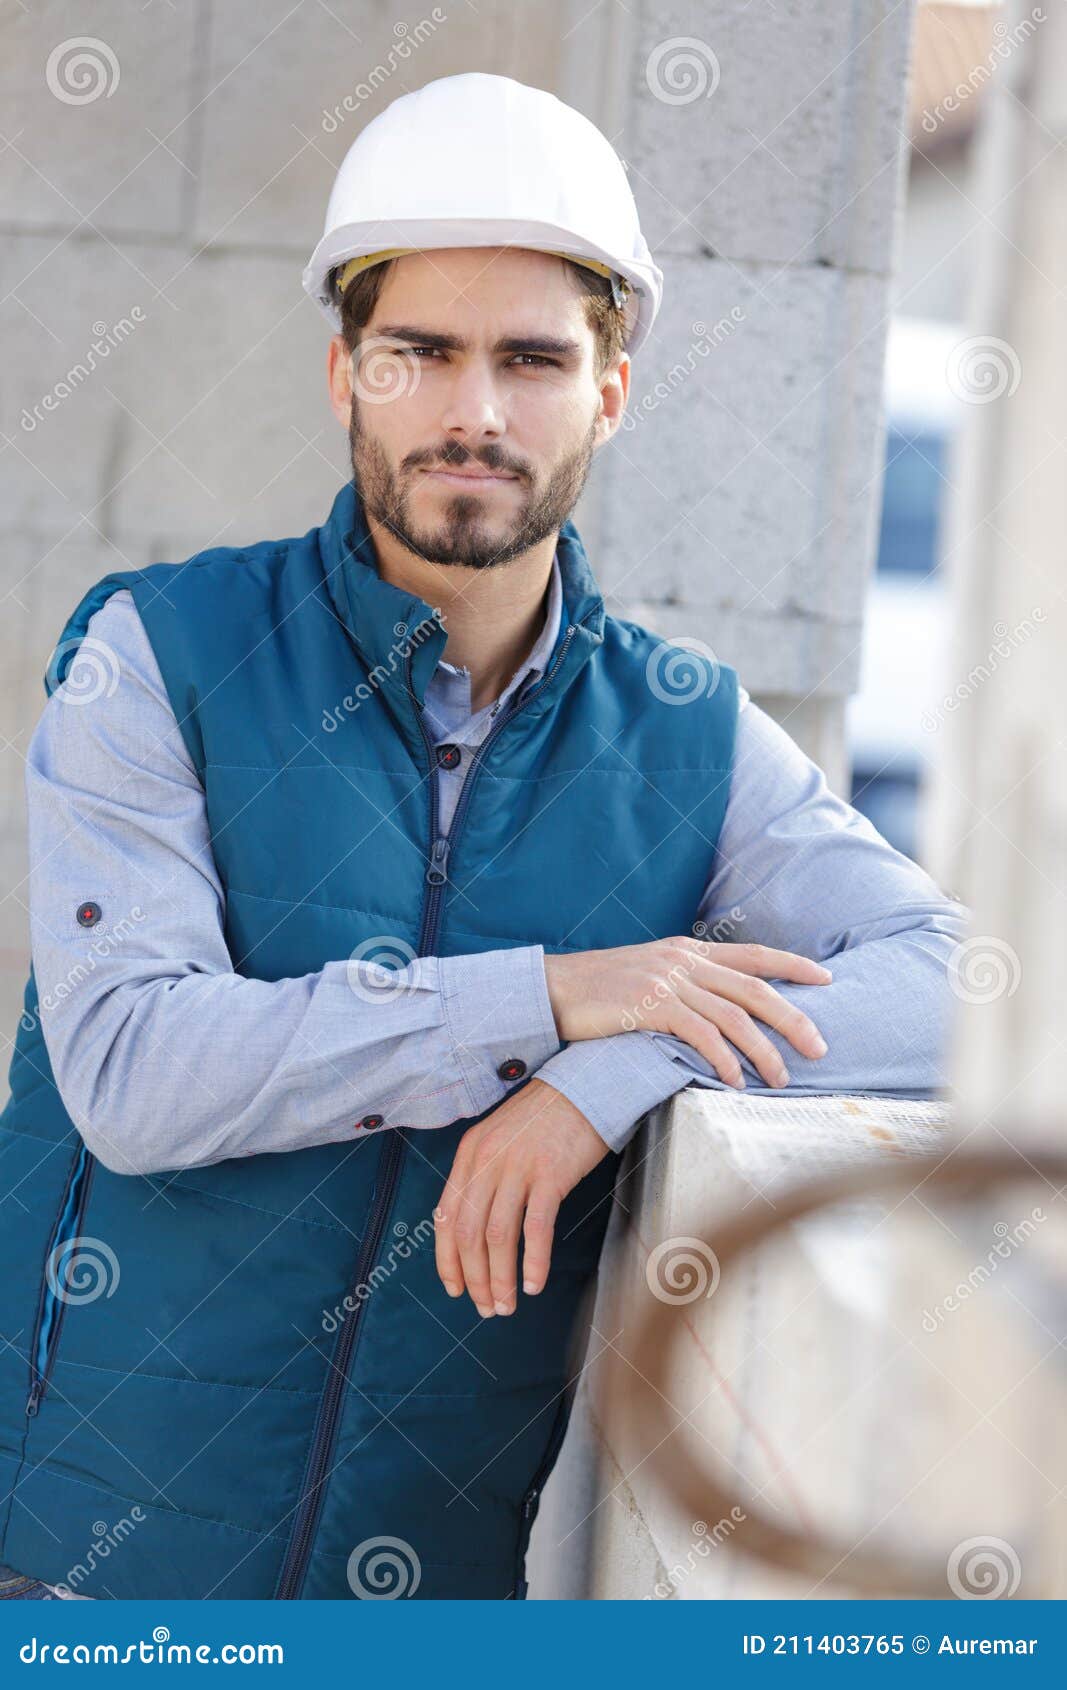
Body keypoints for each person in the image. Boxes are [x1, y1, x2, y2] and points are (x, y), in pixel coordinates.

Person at [0, 72, 967, 1600]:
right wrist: (551, 995)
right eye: (422, 354)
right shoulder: (157, 656)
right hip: (73, 1572)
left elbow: (960, 982)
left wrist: (617, 1067)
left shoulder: (686, 735)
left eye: (532, 359)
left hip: (428, 1594)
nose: (474, 411)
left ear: (611, 391)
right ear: (344, 374)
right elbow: (132, 1071)